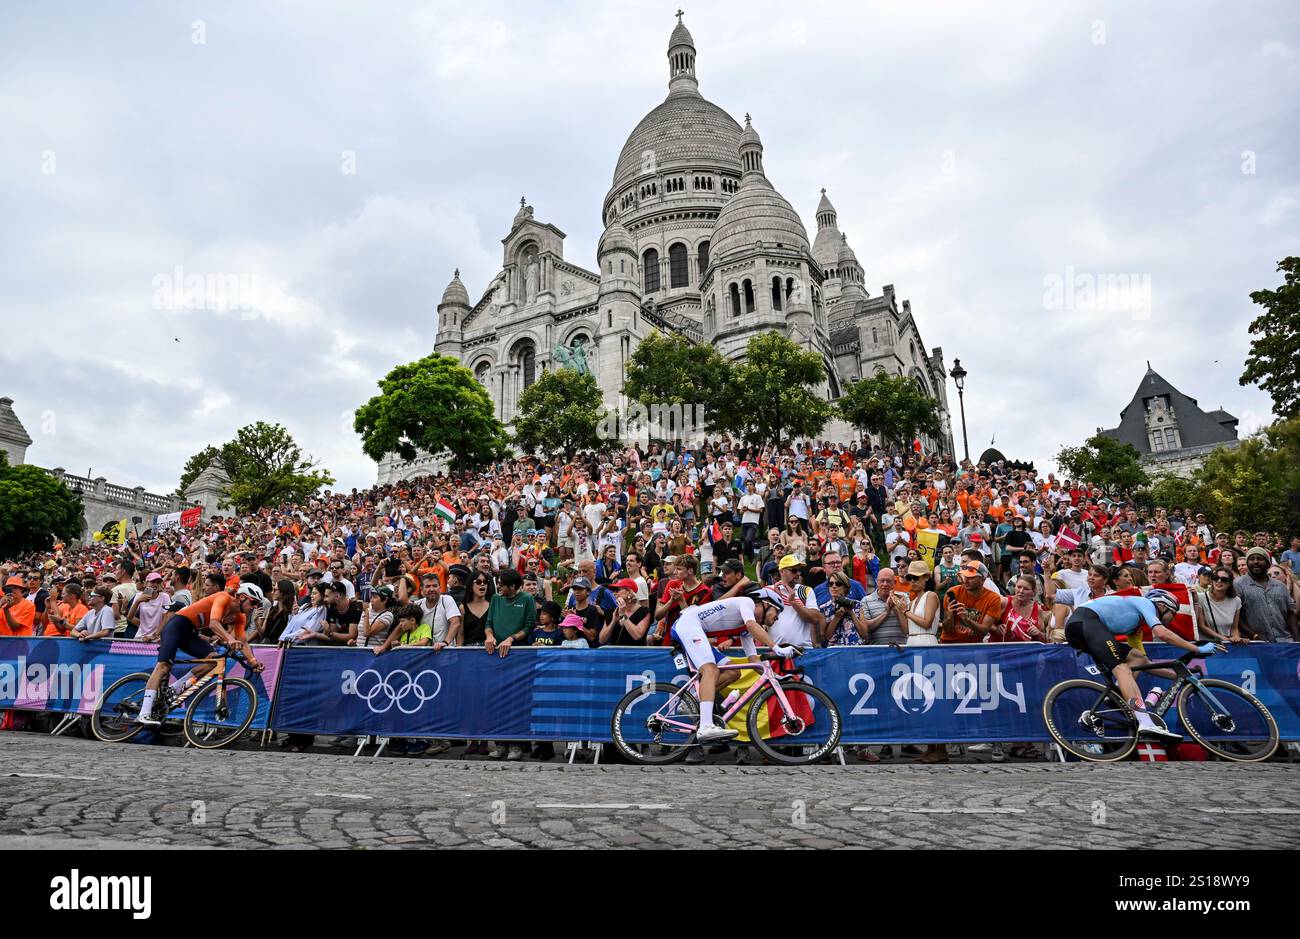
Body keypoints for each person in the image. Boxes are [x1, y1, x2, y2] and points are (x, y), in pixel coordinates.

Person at [1064, 589, 1222, 741]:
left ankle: (1118, 693)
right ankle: (1146, 722)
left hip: (1085, 626)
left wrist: (1178, 675)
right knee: (1122, 668)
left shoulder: (1135, 626)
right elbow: (1162, 634)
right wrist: (1197, 648)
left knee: (1137, 658)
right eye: (1172, 614)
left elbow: (1144, 663)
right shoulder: (1146, 604)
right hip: (1085, 622)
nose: (1172, 619)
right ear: (1163, 605)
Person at [669, 587, 794, 744]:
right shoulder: (747, 603)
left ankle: (691, 701)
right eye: (777, 612)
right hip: (688, 625)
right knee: (710, 670)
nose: (777, 618)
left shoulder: (747, 629)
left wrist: (776, 677)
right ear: (765, 604)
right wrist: (777, 648)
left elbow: (754, 662)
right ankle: (706, 726)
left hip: (695, 628)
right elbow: (751, 626)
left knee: (733, 673)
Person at [138, 583, 266, 725]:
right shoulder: (223, 597)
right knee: (164, 666)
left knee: (213, 661)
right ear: (242, 597)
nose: (254, 607)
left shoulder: (240, 617)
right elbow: (213, 624)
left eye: (257, 604)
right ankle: (143, 713)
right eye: (253, 602)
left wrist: (253, 661)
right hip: (177, 625)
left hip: (190, 632)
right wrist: (229, 639)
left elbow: (243, 641)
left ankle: (174, 689)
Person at [1234, 547, 1297, 642]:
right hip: (1256, 643)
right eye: (1251, 559)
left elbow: (1290, 613)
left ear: (1268, 563)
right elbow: (1235, 616)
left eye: (1260, 558)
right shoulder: (1238, 584)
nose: (1255, 562)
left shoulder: (1280, 586)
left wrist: (1297, 638)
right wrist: (1254, 635)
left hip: (1284, 640)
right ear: (1247, 563)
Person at [1195, 566, 1246, 645]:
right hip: (1207, 645)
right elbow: (1202, 626)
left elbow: (1234, 628)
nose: (1218, 581)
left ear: (1229, 583)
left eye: (1223, 579)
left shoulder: (1236, 601)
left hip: (1227, 644)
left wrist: (1236, 637)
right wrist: (1224, 639)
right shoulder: (1201, 598)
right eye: (1215, 578)